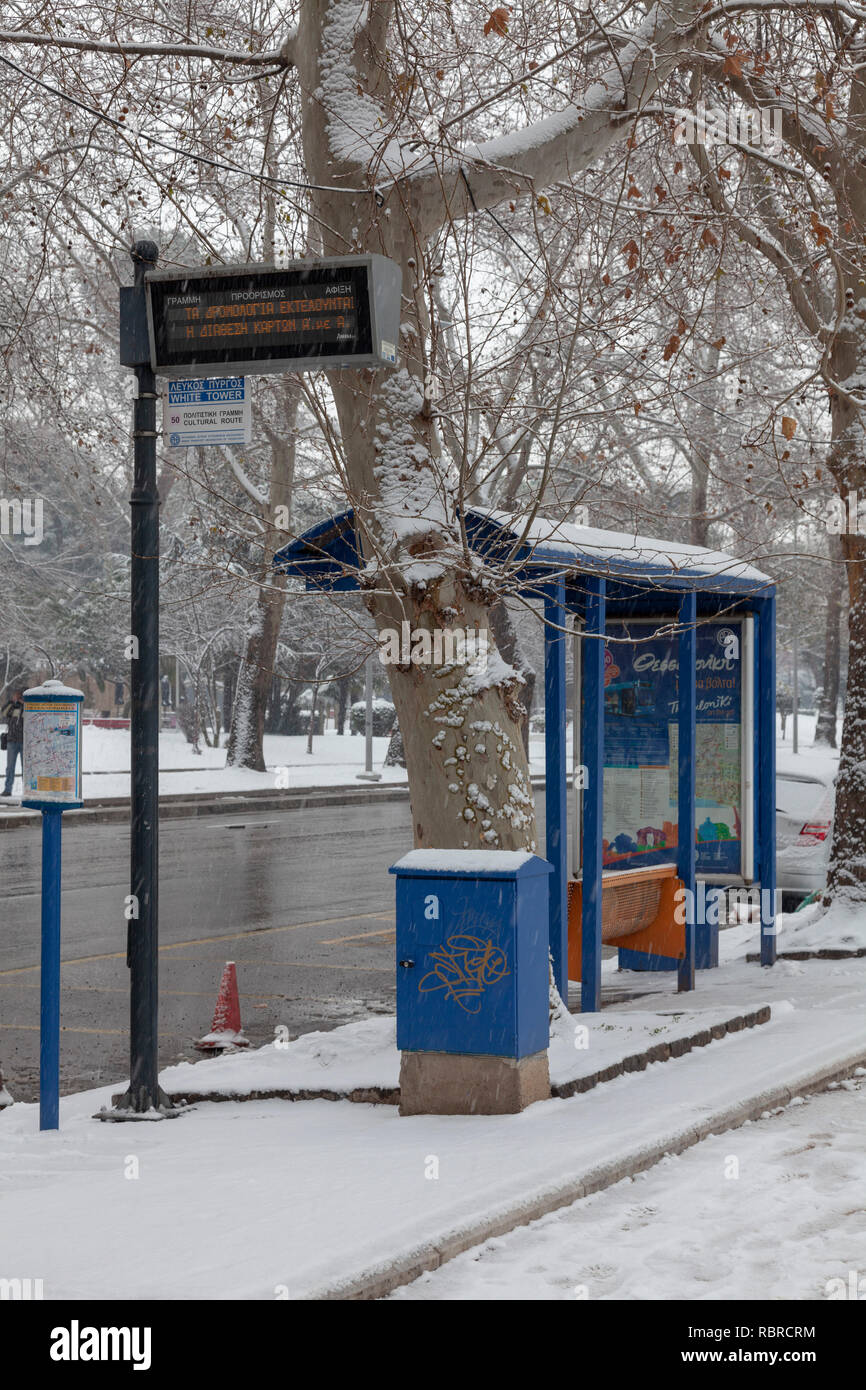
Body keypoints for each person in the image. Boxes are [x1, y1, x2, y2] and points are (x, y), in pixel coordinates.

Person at [1, 689, 24, 796]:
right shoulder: (12, 706)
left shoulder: (30, 707)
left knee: (27, 768)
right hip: (12, 741)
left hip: (25, 742)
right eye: (17, 695)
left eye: (20, 695)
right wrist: (12, 702)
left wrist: (25, 704)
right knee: (10, 767)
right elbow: (3, 712)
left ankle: (27, 790)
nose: (19, 697)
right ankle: (8, 789)